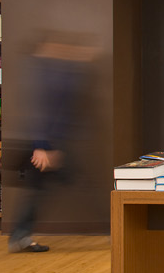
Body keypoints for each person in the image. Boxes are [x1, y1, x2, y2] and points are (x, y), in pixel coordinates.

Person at [9, 31, 98, 253]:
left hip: (56, 144)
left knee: (43, 189)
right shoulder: (42, 74)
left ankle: (20, 236)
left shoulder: (58, 72)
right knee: (78, 184)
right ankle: (116, 229)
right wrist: (42, 146)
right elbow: (40, 112)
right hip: (47, 145)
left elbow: (64, 105)